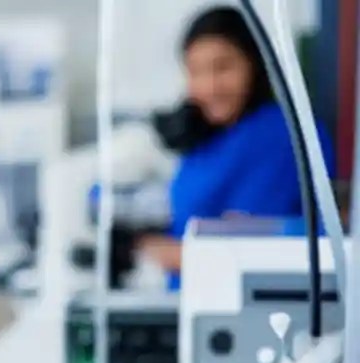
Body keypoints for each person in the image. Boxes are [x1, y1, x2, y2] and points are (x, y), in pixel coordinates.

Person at [142, 5, 335, 287]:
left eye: (222, 67)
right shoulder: (213, 135)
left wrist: (157, 251)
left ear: (254, 64)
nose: (209, 86)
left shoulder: (278, 136)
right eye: (196, 72)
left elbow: (248, 251)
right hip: (191, 302)